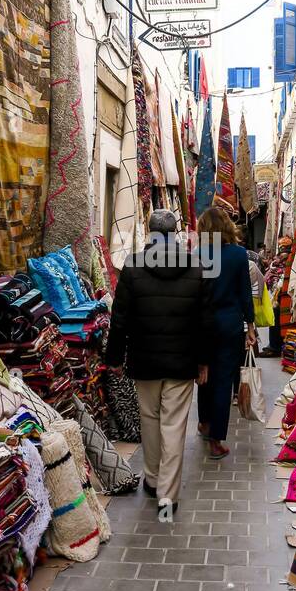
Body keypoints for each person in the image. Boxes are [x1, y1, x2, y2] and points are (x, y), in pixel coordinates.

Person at [104, 210, 210, 516]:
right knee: (174, 425)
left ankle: (151, 478)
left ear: (150, 233)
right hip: (182, 361)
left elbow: (119, 319)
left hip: (144, 360)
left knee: (149, 419)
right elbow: (205, 321)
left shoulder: (134, 266)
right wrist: (203, 362)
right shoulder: (196, 266)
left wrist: (114, 358)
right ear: (175, 233)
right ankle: (168, 494)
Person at [195, 206, 256, 459]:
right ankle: (216, 440)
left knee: (204, 374)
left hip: (202, 325)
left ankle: (205, 423)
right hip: (229, 324)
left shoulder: (197, 254)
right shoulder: (239, 255)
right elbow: (245, 293)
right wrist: (250, 326)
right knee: (222, 381)